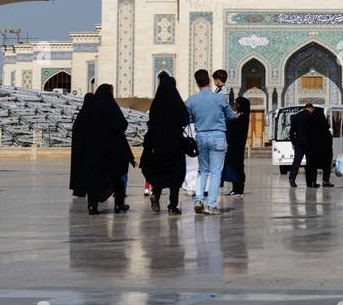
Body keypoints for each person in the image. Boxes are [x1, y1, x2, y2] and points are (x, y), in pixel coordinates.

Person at [185, 69, 235, 214]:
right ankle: (211, 205)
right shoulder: (219, 99)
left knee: (202, 170)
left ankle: (199, 200)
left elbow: (188, 119)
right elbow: (230, 116)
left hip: (201, 136)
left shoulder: (191, 100)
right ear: (208, 81)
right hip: (217, 136)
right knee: (215, 172)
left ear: (197, 83)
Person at [140, 74, 191, 214]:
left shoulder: (156, 104)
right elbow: (185, 120)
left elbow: (152, 123)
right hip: (175, 144)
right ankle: (172, 206)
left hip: (159, 145)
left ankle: (155, 194)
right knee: (175, 175)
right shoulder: (177, 102)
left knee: (160, 172)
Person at [82, 84, 136, 214]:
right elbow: (123, 124)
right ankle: (118, 204)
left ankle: (92, 205)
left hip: (95, 151)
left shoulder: (92, 109)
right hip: (112, 150)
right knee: (116, 176)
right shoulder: (112, 108)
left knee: (94, 178)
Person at [223, 95, 250, 197]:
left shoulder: (243, 117)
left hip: (237, 146)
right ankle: (235, 189)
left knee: (237, 167)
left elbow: (235, 129)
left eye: (236, 103)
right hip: (233, 145)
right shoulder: (240, 115)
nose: (234, 105)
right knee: (234, 166)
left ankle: (239, 189)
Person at [69, 92, 96, 197]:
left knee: (79, 169)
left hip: (79, 151)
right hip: (90, 151)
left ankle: (79, 189)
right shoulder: (94, 115)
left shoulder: (80, 116)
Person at [288, 102, 308, 188]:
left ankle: (292, 178)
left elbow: (291, 132)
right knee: (310, 162)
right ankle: (310, 181)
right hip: (309, 142)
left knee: (296, 161)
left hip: (298, 142)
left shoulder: (296, 116)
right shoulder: (311, 116)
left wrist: (293, 142)